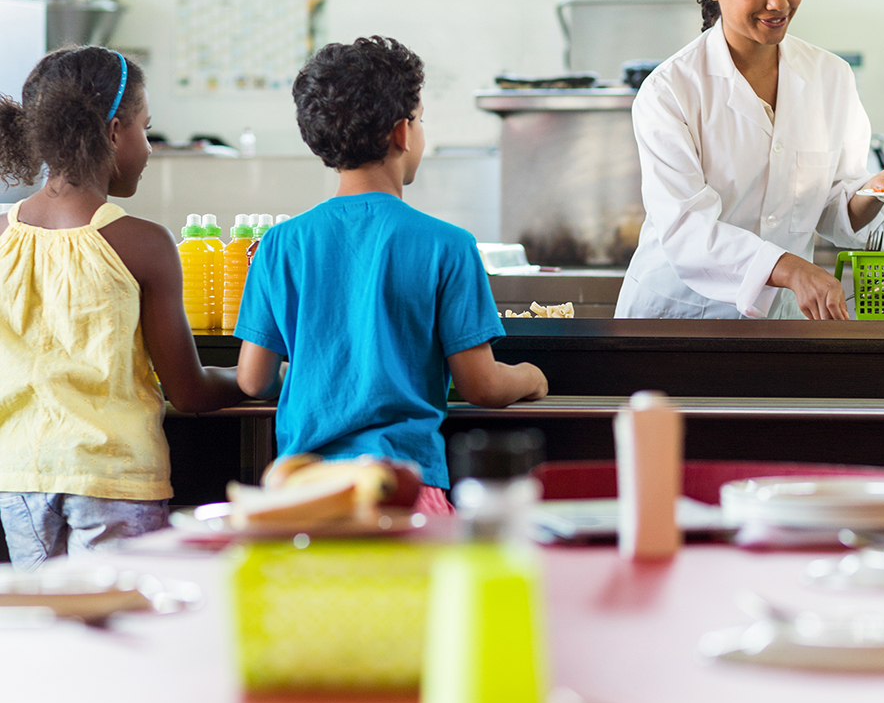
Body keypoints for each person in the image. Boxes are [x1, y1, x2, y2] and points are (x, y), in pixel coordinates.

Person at [234, 36, 547, 513]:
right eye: (420, 120)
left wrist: (325, 374)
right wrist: (530, 377)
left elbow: (253, 380)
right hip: (402, 488)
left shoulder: (280, 244)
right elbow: (481, 386)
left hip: (303, 493)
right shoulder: (447, 244)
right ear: (402, 132)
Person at [616, 0, 884, 321]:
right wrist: (790, 268)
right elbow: (687, 231)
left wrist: (878, 190)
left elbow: (835, 209)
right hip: (679, 320)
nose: (779, 3)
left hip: (782, 321)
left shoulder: (830, 77)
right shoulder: (671, 90)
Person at [0, 46, 244, 568]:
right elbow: (190, 390)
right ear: (114, 132)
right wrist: (258, 377)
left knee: (54, 632)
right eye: (145, 129)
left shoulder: (1, 235)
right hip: (115, 479)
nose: (150, 149)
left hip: (17, 480)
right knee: (124, 625)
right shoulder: (143, 244)